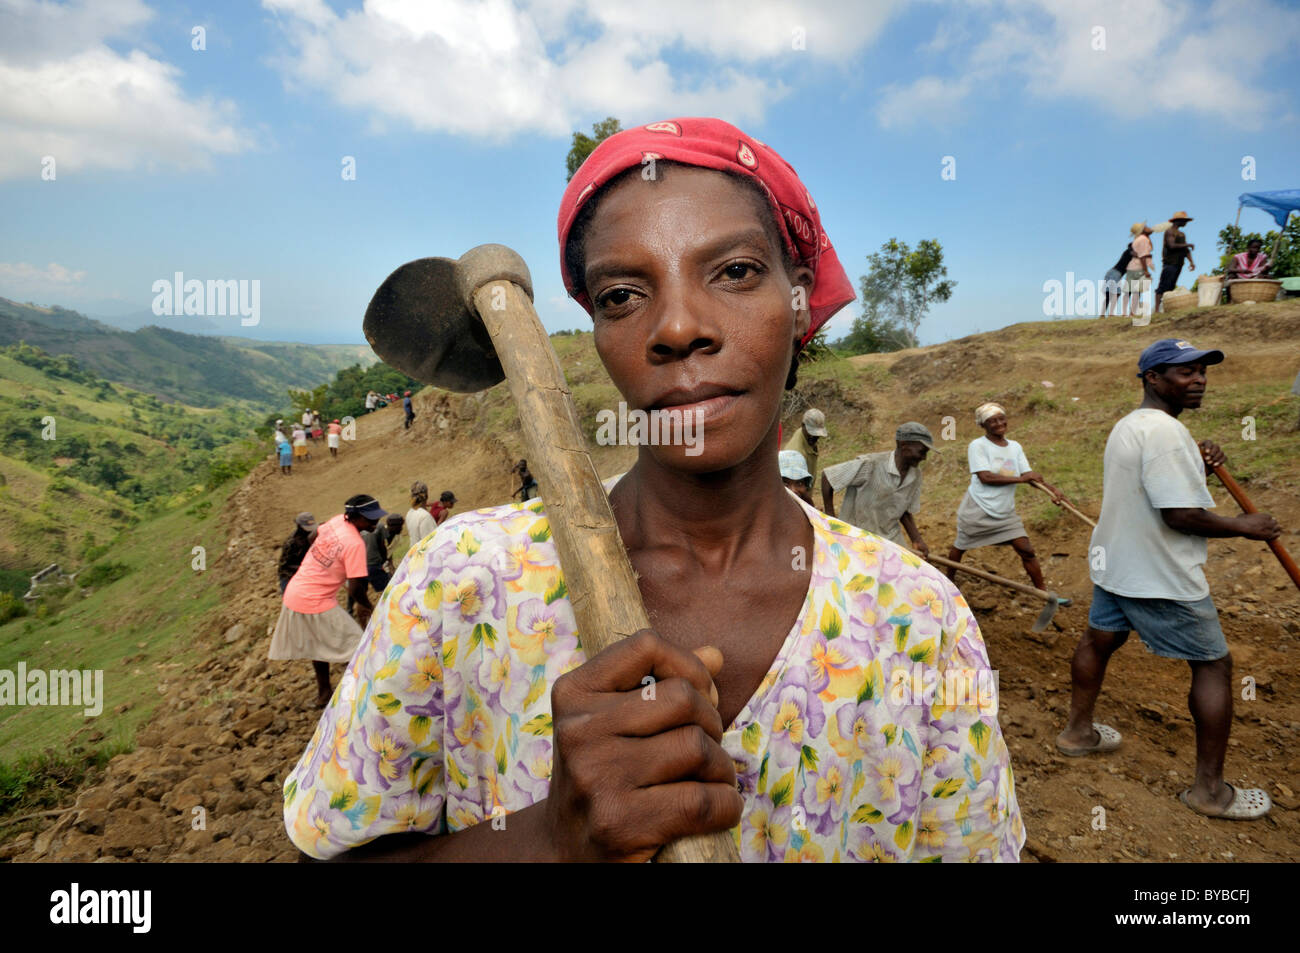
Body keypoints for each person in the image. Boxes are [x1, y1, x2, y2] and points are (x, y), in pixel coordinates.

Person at [283, 117, 1022, 863]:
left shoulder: (918, 621)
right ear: (600, 335)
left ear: (798, 303)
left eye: (733, 271)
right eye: (623, 295)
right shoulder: (461, 583)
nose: (677, 327)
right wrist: (547, 840)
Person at [1056, 339, 1282, 821]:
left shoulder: (1132, 425)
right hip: (1160, 576)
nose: (1199, 379)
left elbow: (1151, 483)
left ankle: (1077, 733)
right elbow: (1179, 514)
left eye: (1202, 371)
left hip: (1116, 564)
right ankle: (1210, 793)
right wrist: (1245, 527)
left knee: (1099, 640)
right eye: (1184, 372)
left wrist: (1194, 463)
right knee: (1214, 666)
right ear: (1152, 378)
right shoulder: (1164, 434)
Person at [270, 494, 387, 707]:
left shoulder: (335, 522)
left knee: (318, 646)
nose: (375, 522)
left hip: (296, 592)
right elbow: (356, 588)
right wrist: (369, 607)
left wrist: (322, 564)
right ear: (355, 517)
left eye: (376, 517)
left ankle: (324, 694)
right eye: (370, 518)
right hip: (314, 600)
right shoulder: (355, 544)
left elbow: (313, 536)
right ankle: (364, 701)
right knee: (359, 647)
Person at [945, 403, 1070, 601]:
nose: (999, 423)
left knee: (1026, 550)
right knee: (961, 546)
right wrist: (1021, 479)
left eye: (1001, 418)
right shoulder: (978, 446)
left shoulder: (1015, 447)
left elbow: (1028, 474)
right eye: (992, 421)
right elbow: (985, 477)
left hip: (1004, 511)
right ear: (983, 425)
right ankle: (947, 584)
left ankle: (1044, 593)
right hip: (978, 507)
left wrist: (1053, 491)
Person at [820, 422, 936, 558]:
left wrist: (917, 539)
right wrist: (831, 520)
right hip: (857, 537)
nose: (924, 458)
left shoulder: (915, 476)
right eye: (922, 452)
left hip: (889, 539)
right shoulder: (871, 464)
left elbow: (904, 510)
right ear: (904, 444)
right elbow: (828, 477)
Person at [351, 513, 404, 610]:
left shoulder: (397, 537)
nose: (400, 528)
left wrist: (392, 570)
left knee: (362, 591)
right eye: (397, 526)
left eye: (401, 526)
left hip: (369, 565)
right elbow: (382, 549)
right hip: (369, 564)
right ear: (389, 526)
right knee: (387, 590)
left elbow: (389, 556)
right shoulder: (377, 530)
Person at [1155, 212, 1195, 314]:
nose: (1185, 223)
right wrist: (1187, 245)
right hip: (1169, 263)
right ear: (1178, 221)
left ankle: (1166, 309)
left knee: (1171, 287)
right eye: (1184, 221)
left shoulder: (1181, 234)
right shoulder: (1170, 231)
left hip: (1179, 263)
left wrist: (1191, 262)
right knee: (1163, 287)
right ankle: (1156, 310)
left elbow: (1185, 250)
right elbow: (1171, 245)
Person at [783, 408, 827, 483]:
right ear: (803, 425)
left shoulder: (806, 437)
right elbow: (794, 489)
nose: (813, 437)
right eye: (811, 432)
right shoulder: (795, 455)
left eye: (817, 434)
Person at [277, 513, 317, 594]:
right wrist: (307, 568)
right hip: (289, 577)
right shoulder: (291, 543)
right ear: (299, 526)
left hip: (304, 575)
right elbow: (285, 565)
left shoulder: (310, 535)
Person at [1123, 222, 1156, 318]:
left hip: (1131, 267)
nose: (1148, 227)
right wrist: (1146, 271)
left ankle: (1125, 313)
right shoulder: (1144, 239)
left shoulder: (1139, 239)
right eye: (1145, 227)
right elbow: (1142, 256)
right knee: (1137, 291)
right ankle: (1132, 312)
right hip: (1139, 268)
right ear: (1142, 230)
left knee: (1128, 291)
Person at [1100, 235, 1136, 317]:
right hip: (1115, 274)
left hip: (1111, 273)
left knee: (1110, 295)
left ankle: (1103, 314)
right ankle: (1110, 314)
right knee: (1115, 294)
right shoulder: (1129, 253)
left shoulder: (1126, 253)